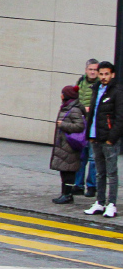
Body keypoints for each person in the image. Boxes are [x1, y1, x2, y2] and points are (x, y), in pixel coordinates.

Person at [84, 61, 120, 218]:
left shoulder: (117, 91)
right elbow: (92, 113)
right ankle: (99, 202)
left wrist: (111, 138)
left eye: (107, 74)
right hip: (95, 137)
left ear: (112, 75)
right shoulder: (96, 88)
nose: (104, 77)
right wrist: (89, 135)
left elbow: (120, 118)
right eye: (101, 74)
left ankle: (111, 204)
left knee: (111, 172)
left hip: (108, 139)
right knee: (99, 172)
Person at [50, 85, 85, 204]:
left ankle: (68, 195)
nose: (61, 95)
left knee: (69, 171)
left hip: (70, 146)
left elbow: (80, 126)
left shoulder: (74, 109)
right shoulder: (67, 107)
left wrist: (63, 125)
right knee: (64, 170)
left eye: (62, 93)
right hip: (64, 145)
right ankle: (64, 194)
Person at [76, 59, 100, 195]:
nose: (92, 72)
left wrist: (88, 109)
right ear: (86, 70)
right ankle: (78, 185)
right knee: (81, 156)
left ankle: (91, 186)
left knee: (92, 158)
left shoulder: (100, 85)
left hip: (94, 124)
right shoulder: (81, 81)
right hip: (81, 123)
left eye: (95, 70)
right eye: (90, 69)